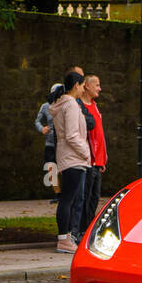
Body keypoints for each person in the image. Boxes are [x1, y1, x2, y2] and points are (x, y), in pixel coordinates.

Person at [49, 72, 91, 253]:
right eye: (82, 85)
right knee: (68, 200)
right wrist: (86, 153)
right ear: (76, 85)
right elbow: (73, 135)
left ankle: (64, 238)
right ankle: (64, 240)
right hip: (74, 158)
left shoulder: (63, 104)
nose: (83, 89)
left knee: (67, 199)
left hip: (67, 157)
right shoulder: (71, 106)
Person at [79, 73, 107, 232]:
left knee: (95, 197)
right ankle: (84, 228)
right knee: (86, 196)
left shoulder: (95, 106)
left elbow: (100, 134)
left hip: (98, 160)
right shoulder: (82, 108)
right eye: (96, 85)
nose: (99, 88)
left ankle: (88, 227)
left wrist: (103, 158)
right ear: (87, 86)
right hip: (89, 159)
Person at [36, 83, 63, 201]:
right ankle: (57, 193)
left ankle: (67, 192)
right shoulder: (45, 106)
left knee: (65, 168)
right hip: (50, 143)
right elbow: (37, 121)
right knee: (51, 168)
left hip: (63, 143)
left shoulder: (66, 106)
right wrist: (42, 128)